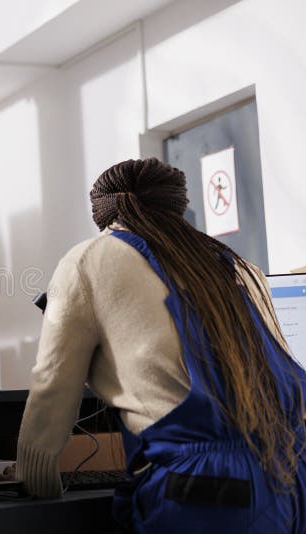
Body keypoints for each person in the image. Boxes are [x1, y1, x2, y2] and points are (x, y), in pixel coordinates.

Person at [16, 158, 306, 531]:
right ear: (178, 206)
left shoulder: (91, 257)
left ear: (103, 212)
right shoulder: (237, 265)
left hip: (207, 492)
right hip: (290, 477)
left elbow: (52, 382)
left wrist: (32, 478)